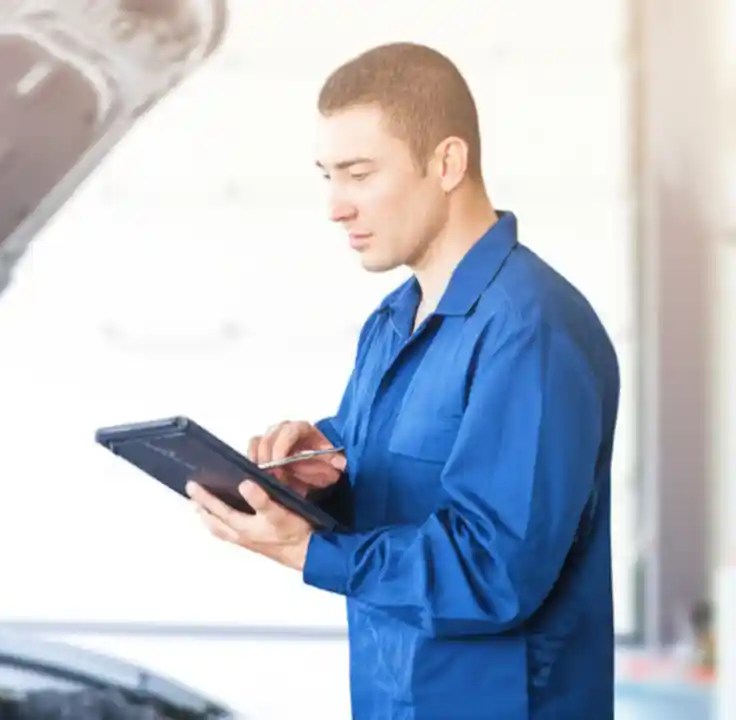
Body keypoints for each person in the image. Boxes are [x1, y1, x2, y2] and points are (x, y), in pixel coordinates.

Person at [185, 42, 619, 719]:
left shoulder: (530, 329)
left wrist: (309, 550)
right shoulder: (393, 321)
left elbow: (493, 574)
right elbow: (398, 480)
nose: (335, 205)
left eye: (358, 174)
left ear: (447, 162)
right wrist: (317, 467)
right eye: (327, 175)